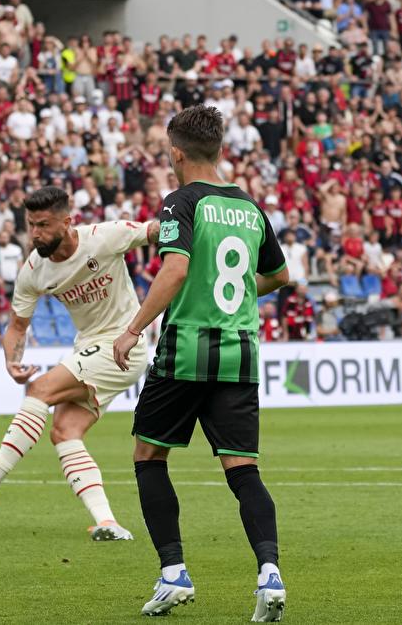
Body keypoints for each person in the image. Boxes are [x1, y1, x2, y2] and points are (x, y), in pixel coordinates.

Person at [111, 106, 289, 621]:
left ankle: (173, 574)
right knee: (243, 469)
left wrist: (133, 327)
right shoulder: (250, 208)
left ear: (176, 154)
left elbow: (175, 269)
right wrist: (234, 298)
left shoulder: (180, 201)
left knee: (148, 455)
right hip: (239, 353)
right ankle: (270, 574)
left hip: (186, 349)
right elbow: (278, 276)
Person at [0, 186, 159, 543]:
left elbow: (155, 230)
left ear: (67, 222)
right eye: (31, 225)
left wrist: (191, 219)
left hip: (123, 344)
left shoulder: (103, 237)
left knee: (40, 389)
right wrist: (11, 359)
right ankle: (108, 522)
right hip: (89, 346)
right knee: (65, 430)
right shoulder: (33, 270)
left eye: (43, 225)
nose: (35, 233)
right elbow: (17, 326)